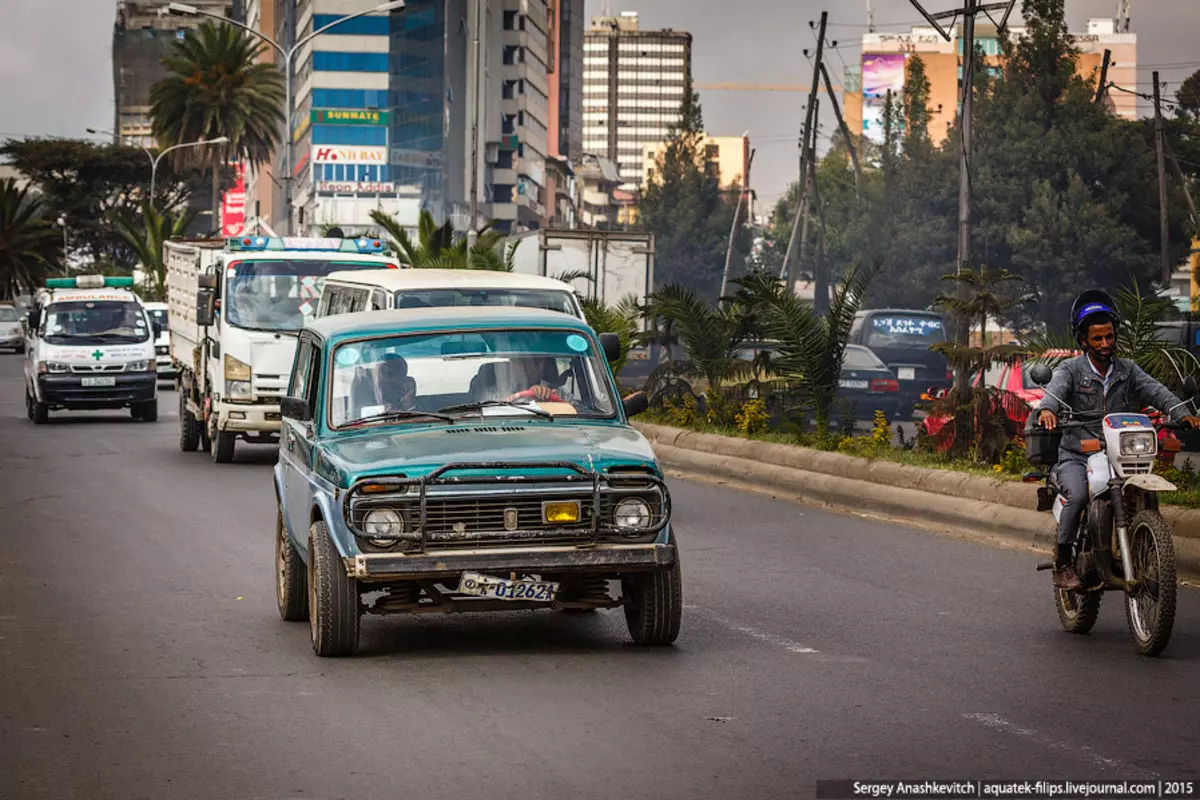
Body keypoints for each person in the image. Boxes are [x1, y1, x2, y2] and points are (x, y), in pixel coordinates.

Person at [1036, 290, 1200, 590]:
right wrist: (1048, 409)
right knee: (1077, 496)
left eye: (1109, 337)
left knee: (1141, 489)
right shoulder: (1070, 370)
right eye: (1097, 338)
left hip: (1119, 454)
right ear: (1083, 340)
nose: (1105, 344)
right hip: (1077, 454)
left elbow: (1157, 392)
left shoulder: (1128, 369)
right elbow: (1054, 393)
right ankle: (1062, 564)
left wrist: (1183, 413)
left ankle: (1143, 547)